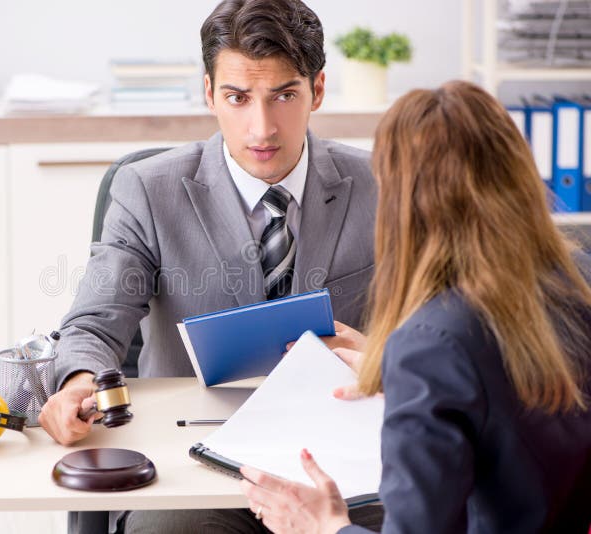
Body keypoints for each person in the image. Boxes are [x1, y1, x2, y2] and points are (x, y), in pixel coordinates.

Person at [39, 0, 377, 531]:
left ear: (317, 90)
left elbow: (444, 328)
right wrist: (80, 381)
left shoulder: (383, 185)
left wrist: (385, 355)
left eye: (284, 95)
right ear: (209, 94)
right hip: (195, 467)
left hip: (341, 463)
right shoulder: (147, 190)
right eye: (237, 98)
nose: (261, 127)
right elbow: (94, 320)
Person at [239, 80, 591, 534]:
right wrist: (414, 390)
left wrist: (324, 526)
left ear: (403, 202)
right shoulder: (579, 277)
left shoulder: (432, 344)